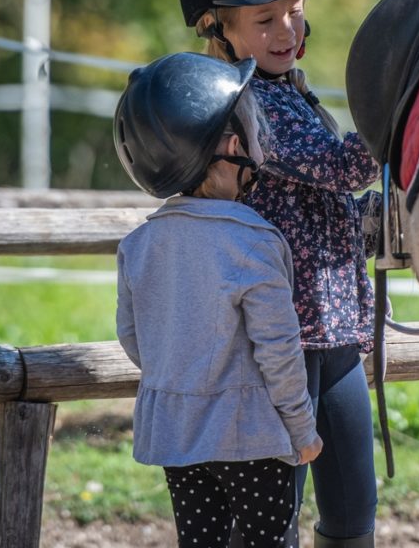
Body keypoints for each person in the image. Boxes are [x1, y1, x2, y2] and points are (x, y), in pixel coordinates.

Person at [178, 0, 381, 548]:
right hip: (277, 342)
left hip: (335, 326)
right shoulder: (248, 104)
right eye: (265, 20)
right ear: (220, 27)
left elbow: (326, 201)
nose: (287, 29)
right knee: (272, 520)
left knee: (353, 512)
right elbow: (341, 168)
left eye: (294, 10)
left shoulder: (292, 90)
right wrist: (400, 111)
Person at [113, 51, 323, 548]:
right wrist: (301, 428)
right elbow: (278, 348)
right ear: (233, 145)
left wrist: (181, 381)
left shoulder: (139, 244)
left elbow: (132, 336)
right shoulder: (254, 240)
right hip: (250, 438)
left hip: (176, 437)